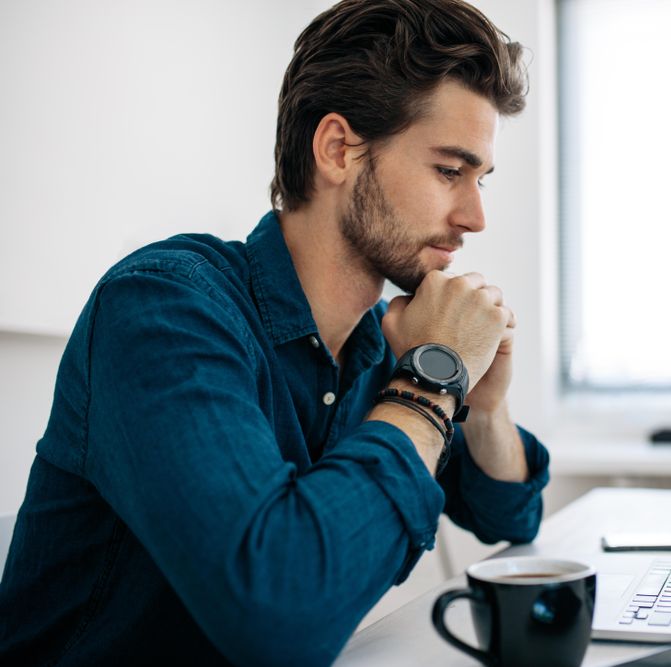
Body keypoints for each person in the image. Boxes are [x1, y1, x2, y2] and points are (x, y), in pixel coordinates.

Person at [0, 1, 549, 664]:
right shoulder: (163, 309)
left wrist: (482, 403)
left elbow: (509, 514)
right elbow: (275, 614)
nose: (476, 216)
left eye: (481, 179)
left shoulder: (385, 344)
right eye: (450, 171)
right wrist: (432, 384)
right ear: (338, 150)